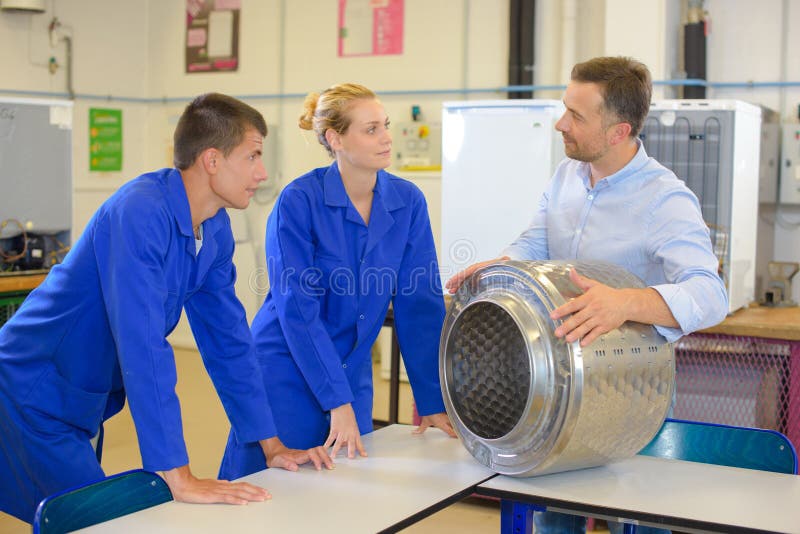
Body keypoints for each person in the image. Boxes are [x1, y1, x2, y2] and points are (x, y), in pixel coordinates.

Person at [0, 93, 332, 524]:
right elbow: (143, 345)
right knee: (98, 521)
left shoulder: (213, 228)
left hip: (79, 398)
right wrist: (176, 473)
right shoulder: (140, 212)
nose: (262, 173)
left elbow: (229, 341)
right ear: (212, 160)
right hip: (29, 393)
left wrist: (272, 444)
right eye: (252, 156)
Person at [446, 57, 728, 534]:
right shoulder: (568, 176)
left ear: (619, 132)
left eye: (576, 116)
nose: (561, 124)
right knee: (556, 520)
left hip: (630, 391)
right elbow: (538, 241)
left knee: (636, 520)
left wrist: (625, 303)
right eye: (565, 109)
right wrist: (504, 264)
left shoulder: (665, 199)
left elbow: (710, 293)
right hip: (558, 389)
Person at [219, 83, 455, 479]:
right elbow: (298, 309)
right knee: (268, 487)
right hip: (286, 366)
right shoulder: (298, 202)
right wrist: (336, 401)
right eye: (371, 129)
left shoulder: (408, 201)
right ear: (335, 139)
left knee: (348, 489)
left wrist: (431, 399)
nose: (386, 138)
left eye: (385, 125)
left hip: (351, 370)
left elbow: (420, 303)